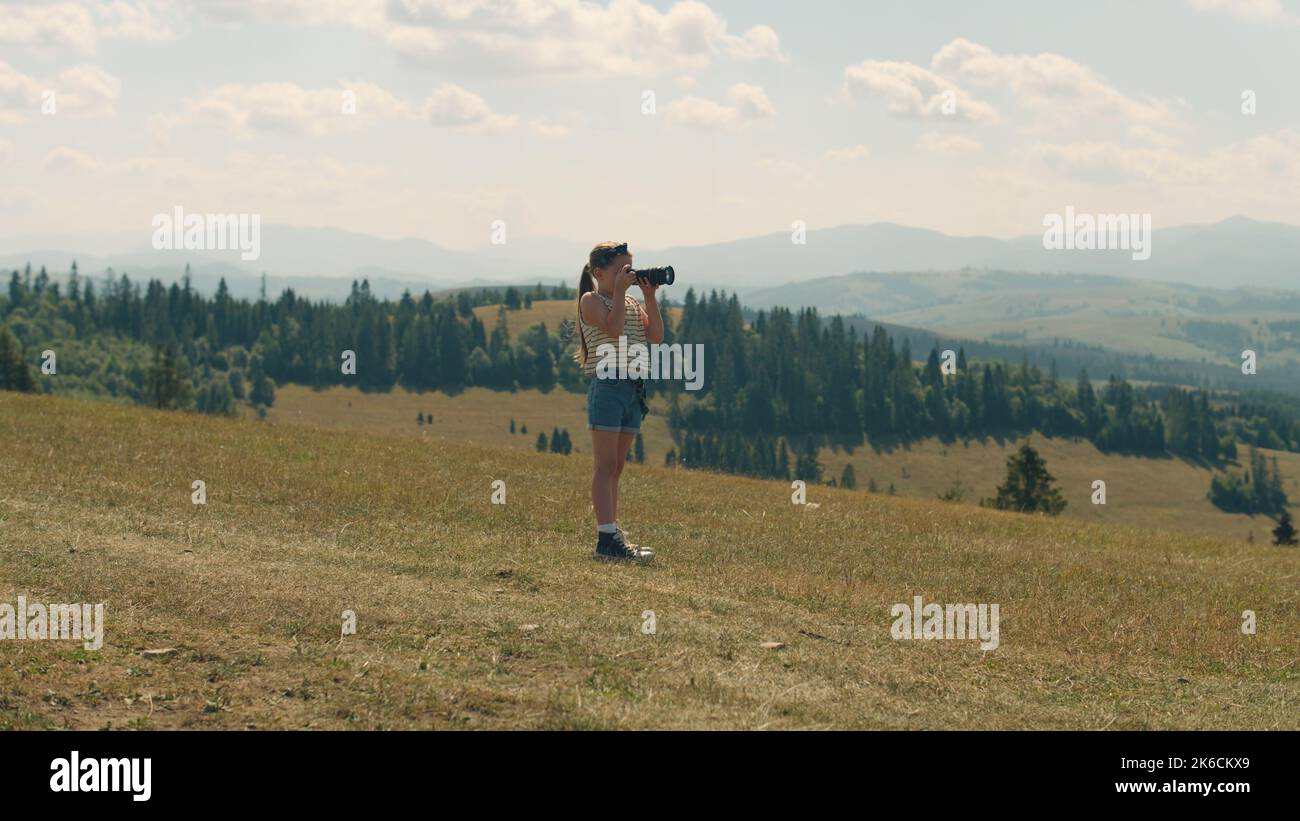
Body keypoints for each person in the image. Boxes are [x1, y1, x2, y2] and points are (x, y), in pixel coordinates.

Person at [575, 241, 664, 562]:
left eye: (631, 268)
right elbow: (613, 331)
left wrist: (649, 296)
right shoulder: (591, 300)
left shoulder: (627, 300)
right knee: (605, 466)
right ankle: (606, 538)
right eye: (621, 270)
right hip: (609, 382)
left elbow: (655, 336)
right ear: (599, 273)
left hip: (633, 386)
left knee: (618, 467)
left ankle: (612, 534)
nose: (629, 275)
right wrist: (620, 294)